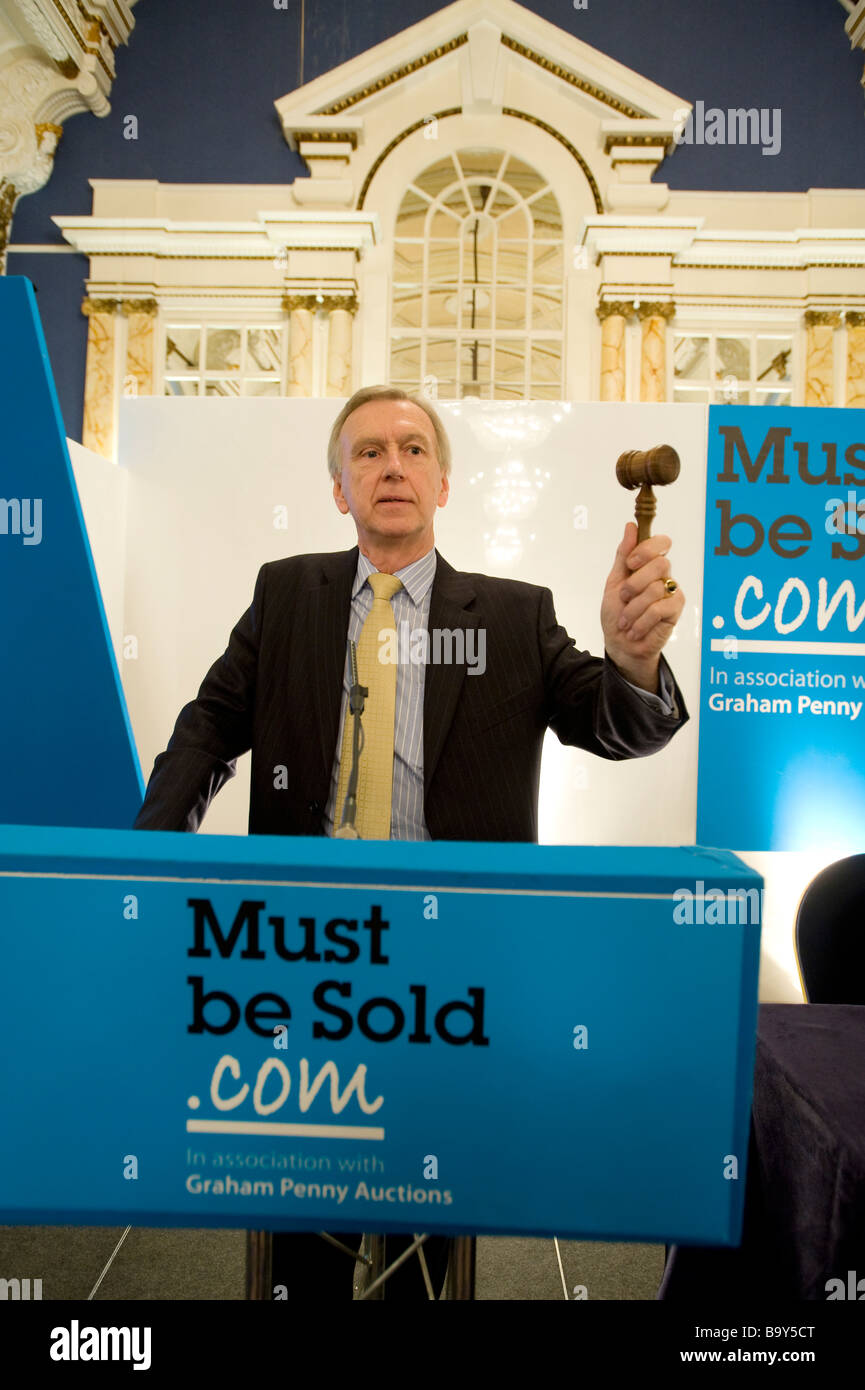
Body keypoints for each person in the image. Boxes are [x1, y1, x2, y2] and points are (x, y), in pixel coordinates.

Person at [133, 384, 688, 1297]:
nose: (392, 464)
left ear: (443, 485)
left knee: (425, 1203)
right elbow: (207, 727)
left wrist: (631, 663)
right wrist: (149, 862)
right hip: (303, 946)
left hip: (450, 955)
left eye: (413, 449)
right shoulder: (285, 595)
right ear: (339, 491)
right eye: (367, 452)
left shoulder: (511, 615)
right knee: (301, 1192)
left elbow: (612, 723)